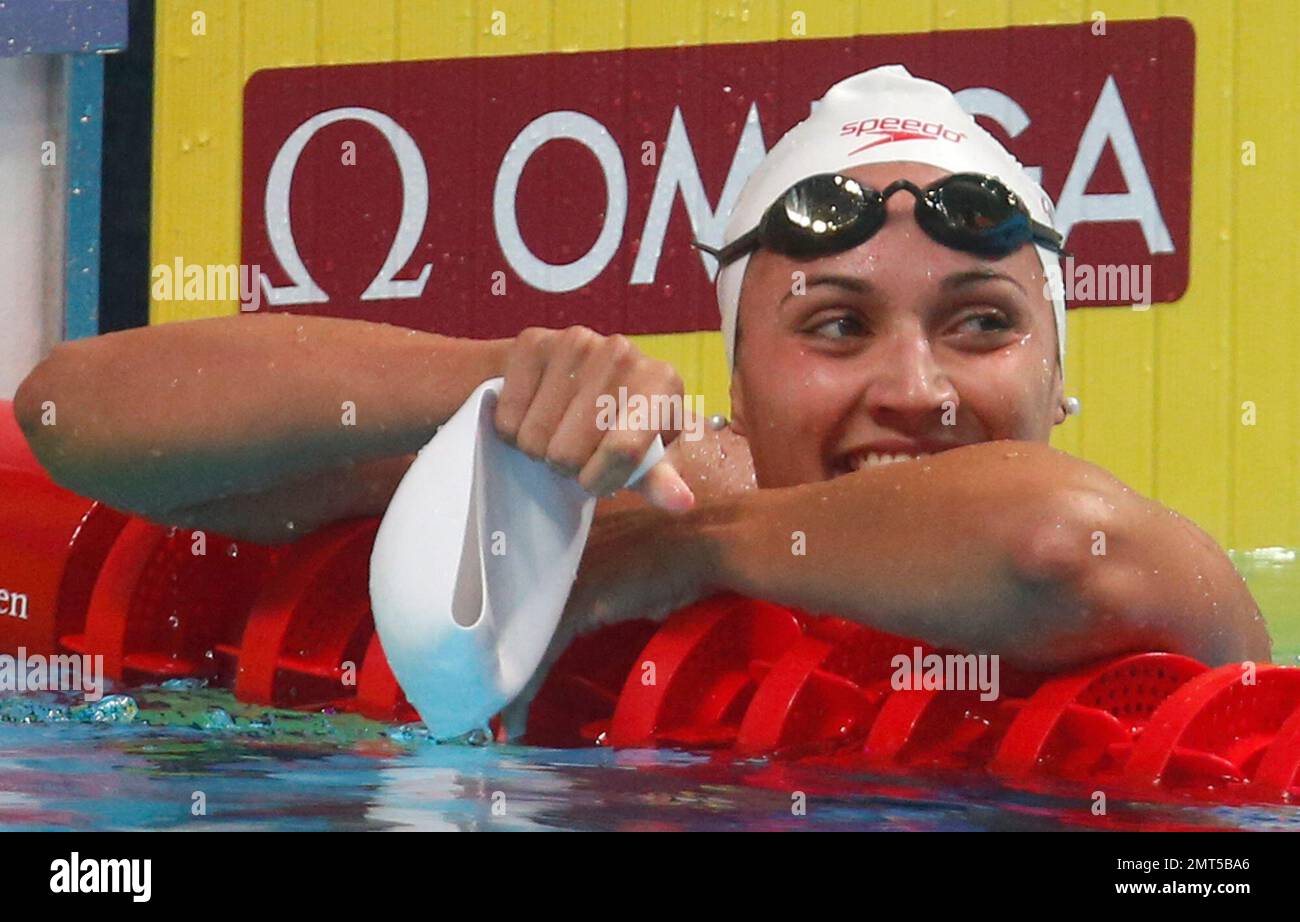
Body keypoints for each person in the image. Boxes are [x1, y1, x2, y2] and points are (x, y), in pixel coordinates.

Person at [15, 66, 1269, 696]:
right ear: (736, 381)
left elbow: (1056, 542)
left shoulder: (1154, 602)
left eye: (980, 325)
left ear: (1062, 390)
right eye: (834, 327)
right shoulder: (654, 489)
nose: (915, 387)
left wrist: (699, 549)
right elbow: (76, 415)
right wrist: (486, 382)